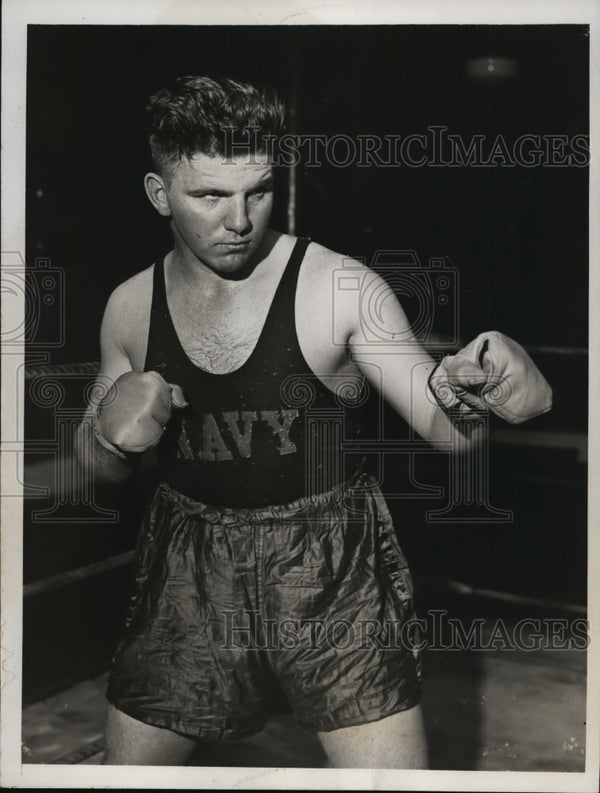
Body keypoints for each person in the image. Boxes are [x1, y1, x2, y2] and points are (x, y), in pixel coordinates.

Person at [75, 75, 551, 768]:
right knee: (124, 776)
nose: (240, 220)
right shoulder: (128, 307)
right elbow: (99, 469)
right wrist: (106, 434)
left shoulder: (341, 287)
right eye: (210, 195)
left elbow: (449, 431)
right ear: (159, 193)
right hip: (190, 564)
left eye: (259, 191)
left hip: (331, 562)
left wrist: (477, 394)